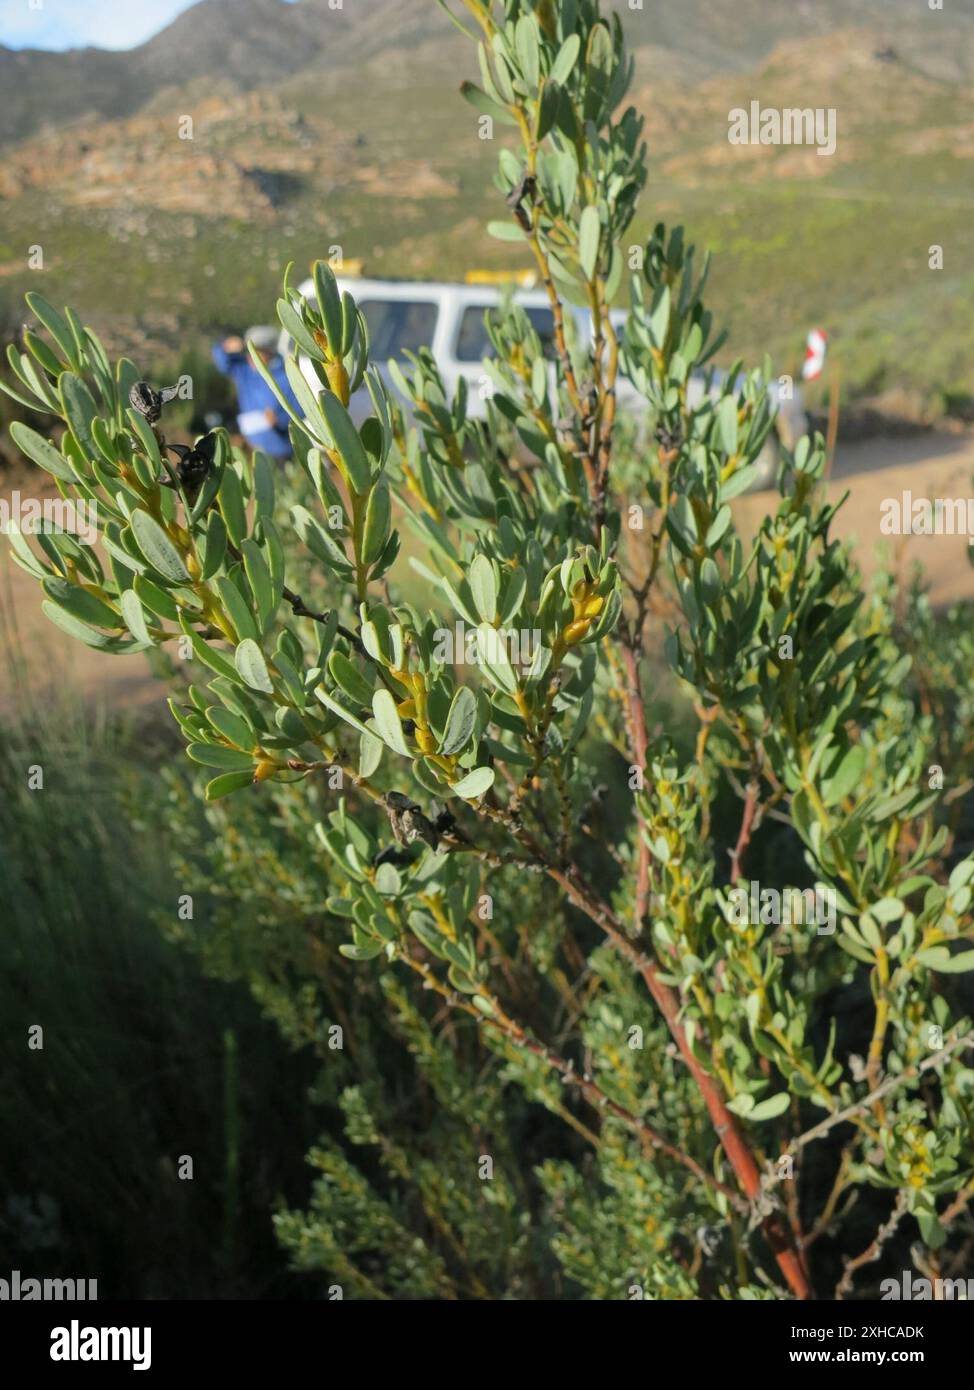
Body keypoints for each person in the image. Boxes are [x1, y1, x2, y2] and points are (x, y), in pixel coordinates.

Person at [211, 326, 300, 459]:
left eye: (256, 352)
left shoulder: (286, 375)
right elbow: (223, 362)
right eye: (249, 352)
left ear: (269, 352)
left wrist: (279, 420)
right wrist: (225, 346)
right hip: (251, 448)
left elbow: (300, 408)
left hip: (280, 451)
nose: (250, 357)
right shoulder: (245, 370)